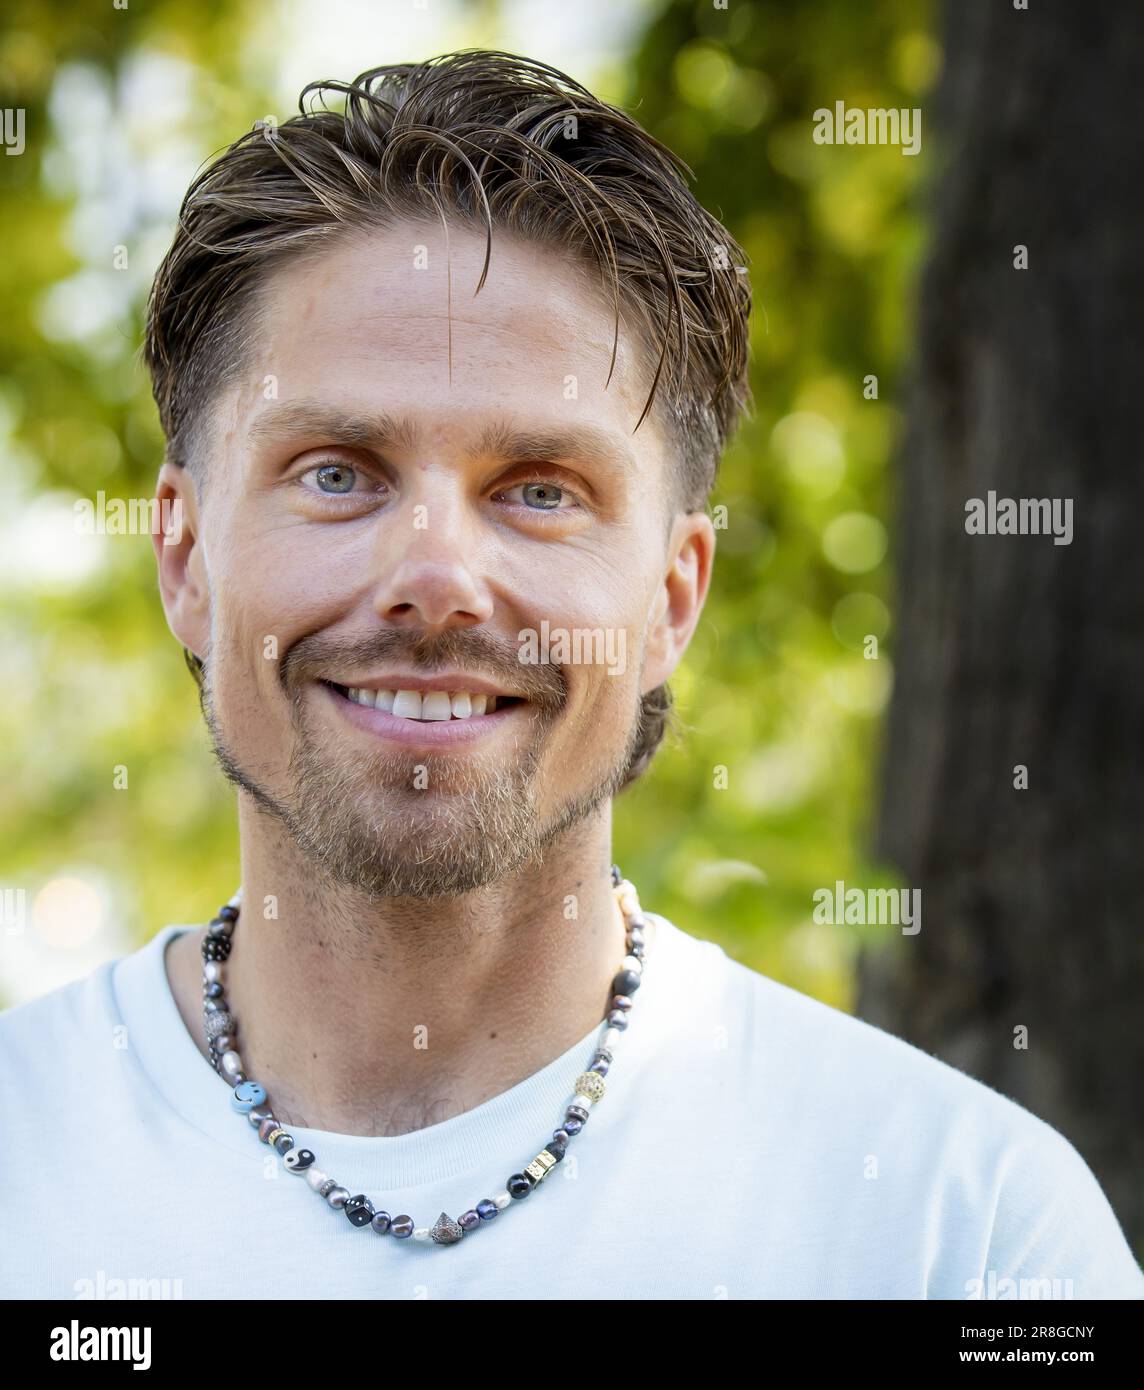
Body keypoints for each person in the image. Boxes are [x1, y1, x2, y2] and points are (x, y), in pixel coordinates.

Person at [1, 50, 1140, 1300]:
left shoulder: (964, 1235)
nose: (435, 575)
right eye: (336, 470)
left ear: (670, 597)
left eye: (541, 490)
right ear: (185, 558)